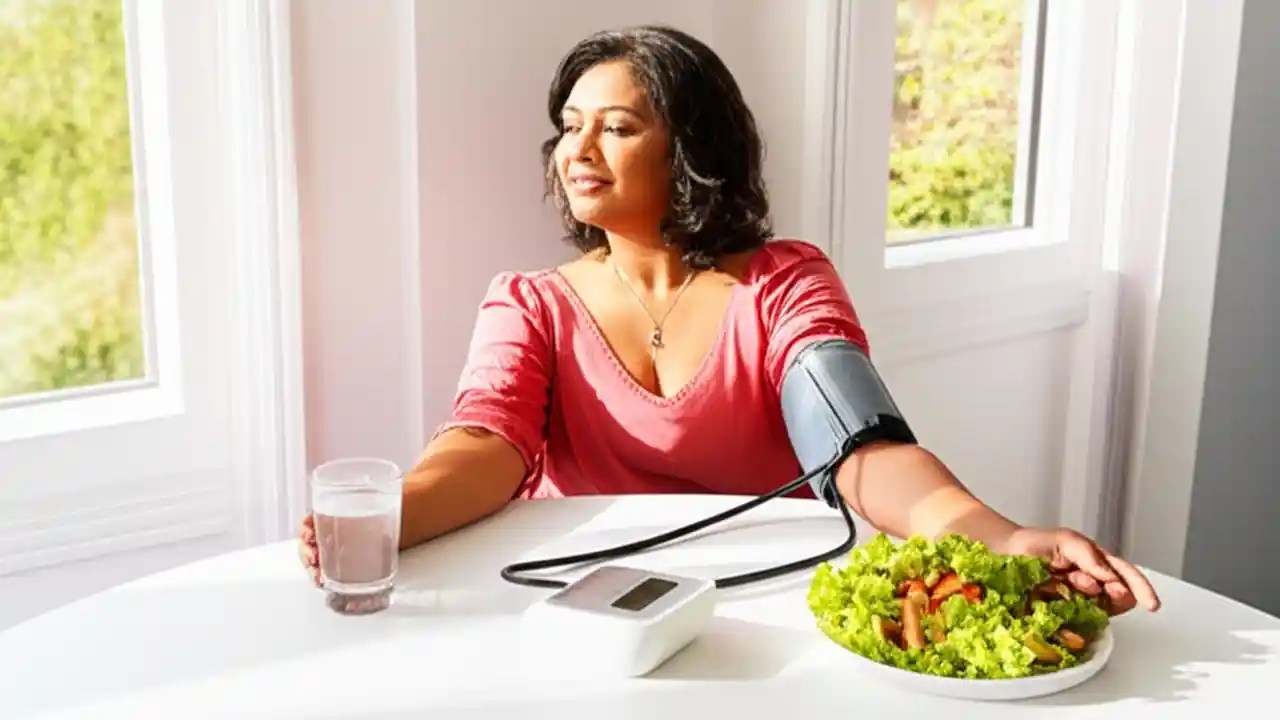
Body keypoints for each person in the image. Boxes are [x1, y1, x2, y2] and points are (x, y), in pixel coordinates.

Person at [299, 25, 1160, 615]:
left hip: (766, 602)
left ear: (691, 150)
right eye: (569, 127)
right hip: (583, 612)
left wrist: (1002, 537)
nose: (578, 150)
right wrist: (391, 514)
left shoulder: (785, 283)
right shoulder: (530, 303)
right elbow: (486, 445)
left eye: (618, 126)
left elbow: (860, 448)